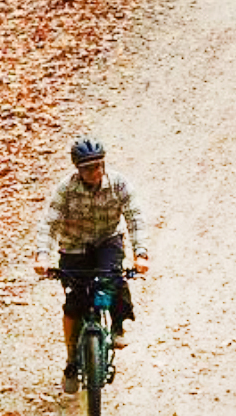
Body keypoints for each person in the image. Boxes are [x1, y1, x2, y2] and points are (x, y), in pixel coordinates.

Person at [33, 137, 150, 391]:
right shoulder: (66, 189)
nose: (94, 172)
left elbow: (135, 217)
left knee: (114, 278)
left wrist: (141, 254)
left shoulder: (118, 184)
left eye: (98, 166)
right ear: (78, 169)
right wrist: (42, 256)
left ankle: (117, 326)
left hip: (107, 240)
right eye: (87, 168)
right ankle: (71, 360)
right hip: (74, 246)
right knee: (74, 304)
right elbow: (49, 224)